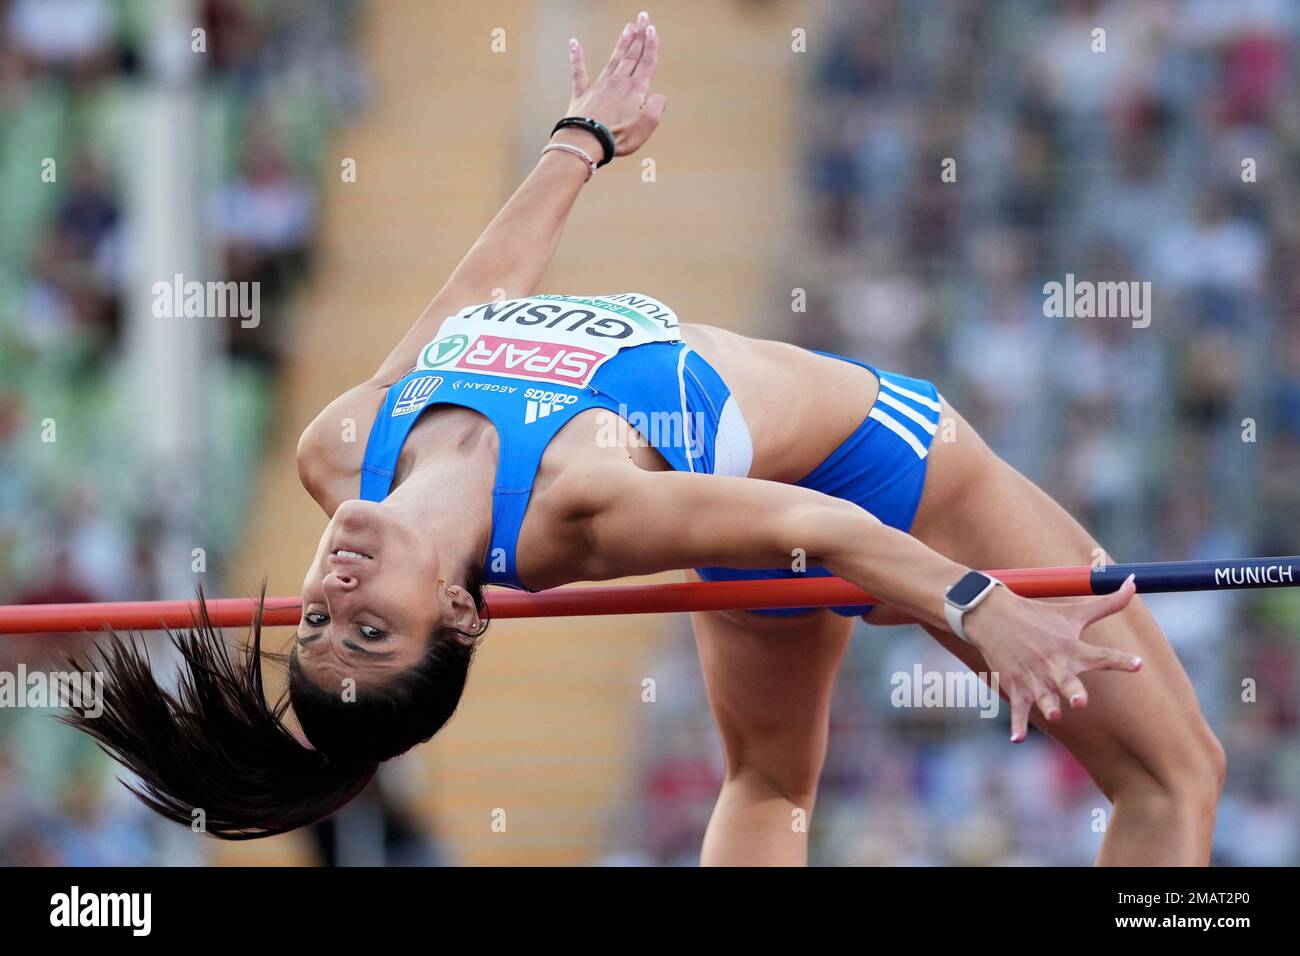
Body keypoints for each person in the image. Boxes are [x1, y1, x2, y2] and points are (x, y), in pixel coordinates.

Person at [67, 13, 1224, 865]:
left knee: (768, 781)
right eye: (375, 626)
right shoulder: (582, 503)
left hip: (749, 521)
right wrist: (977, 603)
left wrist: (581, 139)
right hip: (894, 478)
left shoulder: (343, 445)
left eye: (319, 618)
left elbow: (474, 302)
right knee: (1174, 778)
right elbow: (819, 524)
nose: (337, 587)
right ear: (464, 613)